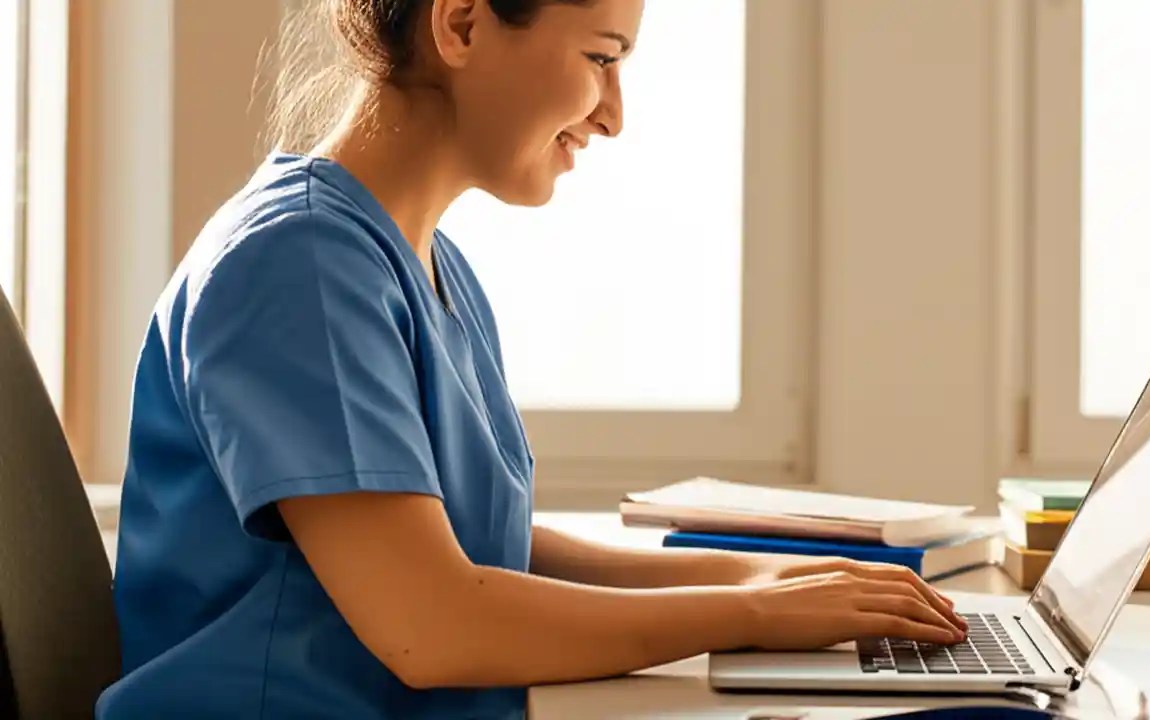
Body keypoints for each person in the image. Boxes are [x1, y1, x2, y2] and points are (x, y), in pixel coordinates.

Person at [96, 0, 968, 717]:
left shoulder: (414, 260)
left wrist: (766, 577)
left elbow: (485, 552)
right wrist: (747, 613)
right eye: (600, 58)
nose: (614, 114)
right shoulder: (302, 265)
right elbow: (434, 624)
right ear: (463, 24)